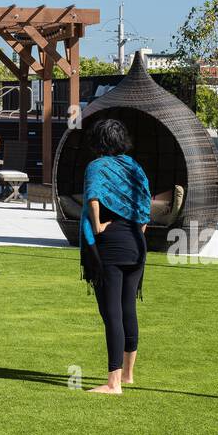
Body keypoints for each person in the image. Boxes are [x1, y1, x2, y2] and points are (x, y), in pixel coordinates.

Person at [79, 117, 151, 395]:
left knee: (112, 314)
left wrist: (97, 226)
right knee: (128, 309)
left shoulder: (96, 166)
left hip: (111, 244)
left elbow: (93, 196)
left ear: (99, 141)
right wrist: (138, 232)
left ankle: (113, 383)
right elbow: (145, 203)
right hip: (136, 242)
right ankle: (129, 375)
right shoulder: (135, 167)